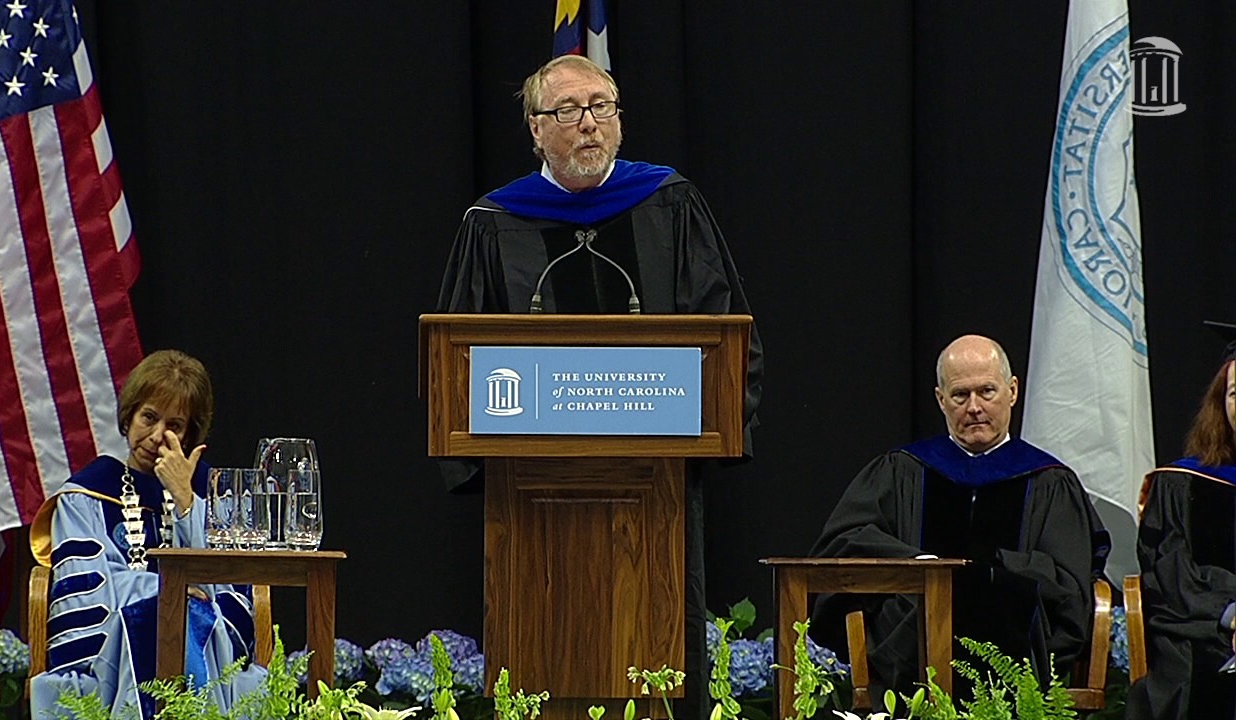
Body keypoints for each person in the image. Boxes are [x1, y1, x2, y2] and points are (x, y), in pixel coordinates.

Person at [437, 55, 763, 720]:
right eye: (569, 111)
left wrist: (719, 422)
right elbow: (457, 360)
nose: (589, 124)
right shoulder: (493, 220)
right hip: (531, 494)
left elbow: (726, 333)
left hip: (656, 486)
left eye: (601, 108)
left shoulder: (669, 202)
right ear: (536, 128)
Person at [810, 335, 1106, 698]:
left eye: (987, 391)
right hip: (910, 659)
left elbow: (1069, 584)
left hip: (1017, 663)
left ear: (1012, 391)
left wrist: (990, 572)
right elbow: (844, 544)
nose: (975, 407)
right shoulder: (902, 470)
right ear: (940, 399)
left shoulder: (1049, 481)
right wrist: (920, 566)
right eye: (960, 395)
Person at [28, 350, 264, 720]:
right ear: (129, 416)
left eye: (174, 425)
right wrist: (168, 594)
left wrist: (186, 501)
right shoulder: (84, 497)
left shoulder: (213, 496)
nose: (157, 437)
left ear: (190, 434)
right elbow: (89, 596)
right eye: (149, 418)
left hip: (208, 658)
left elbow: (231, 596)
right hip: (113, 659)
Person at [1127, 323, 1236, 720]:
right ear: (1219, 405)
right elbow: (1167, 574)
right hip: (1200, 636)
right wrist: (1230, 610)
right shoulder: (1181, 484)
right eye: (1235, 393)